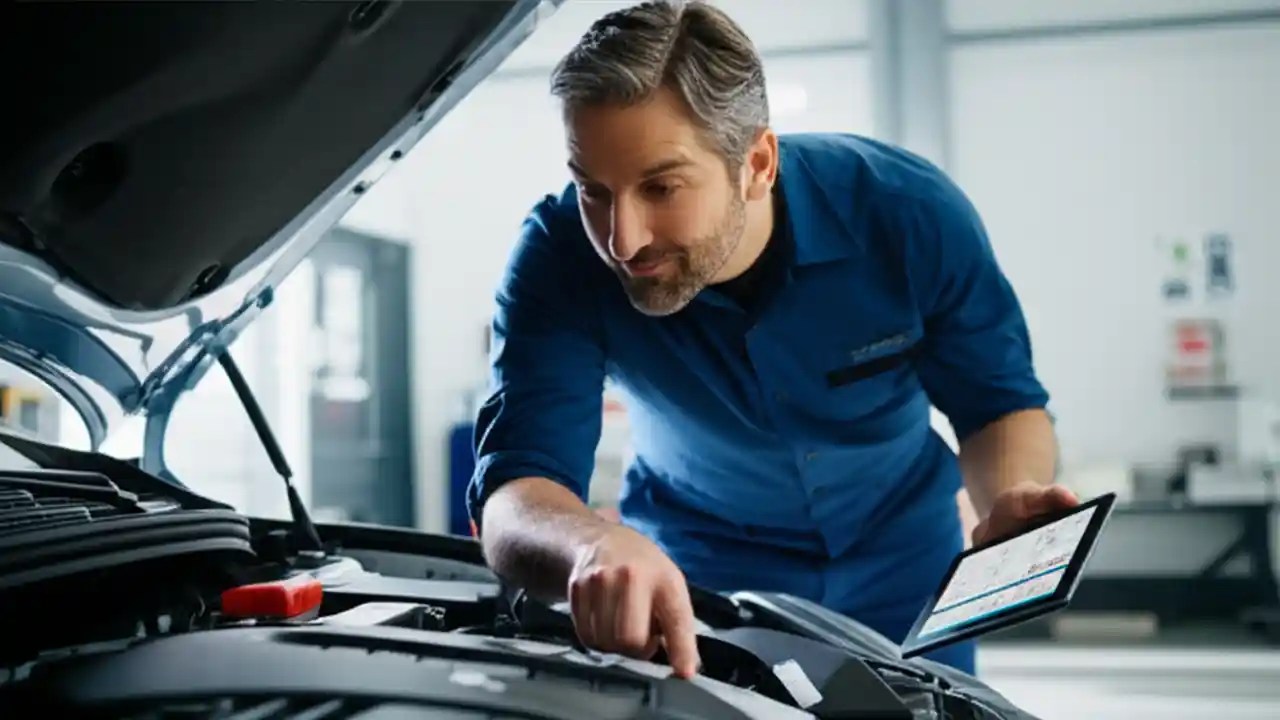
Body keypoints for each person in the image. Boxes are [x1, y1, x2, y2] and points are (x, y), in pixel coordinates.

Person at [466, 0, 1077, 678]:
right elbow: (517, 493)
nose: (622, 239)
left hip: (906, 567)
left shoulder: (908, 217)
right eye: (593, 191)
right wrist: (588, 546)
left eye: (661, 187)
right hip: (697, 574)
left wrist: (1013, 495)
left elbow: (997, 404)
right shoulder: (557, 258)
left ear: (757, 162)